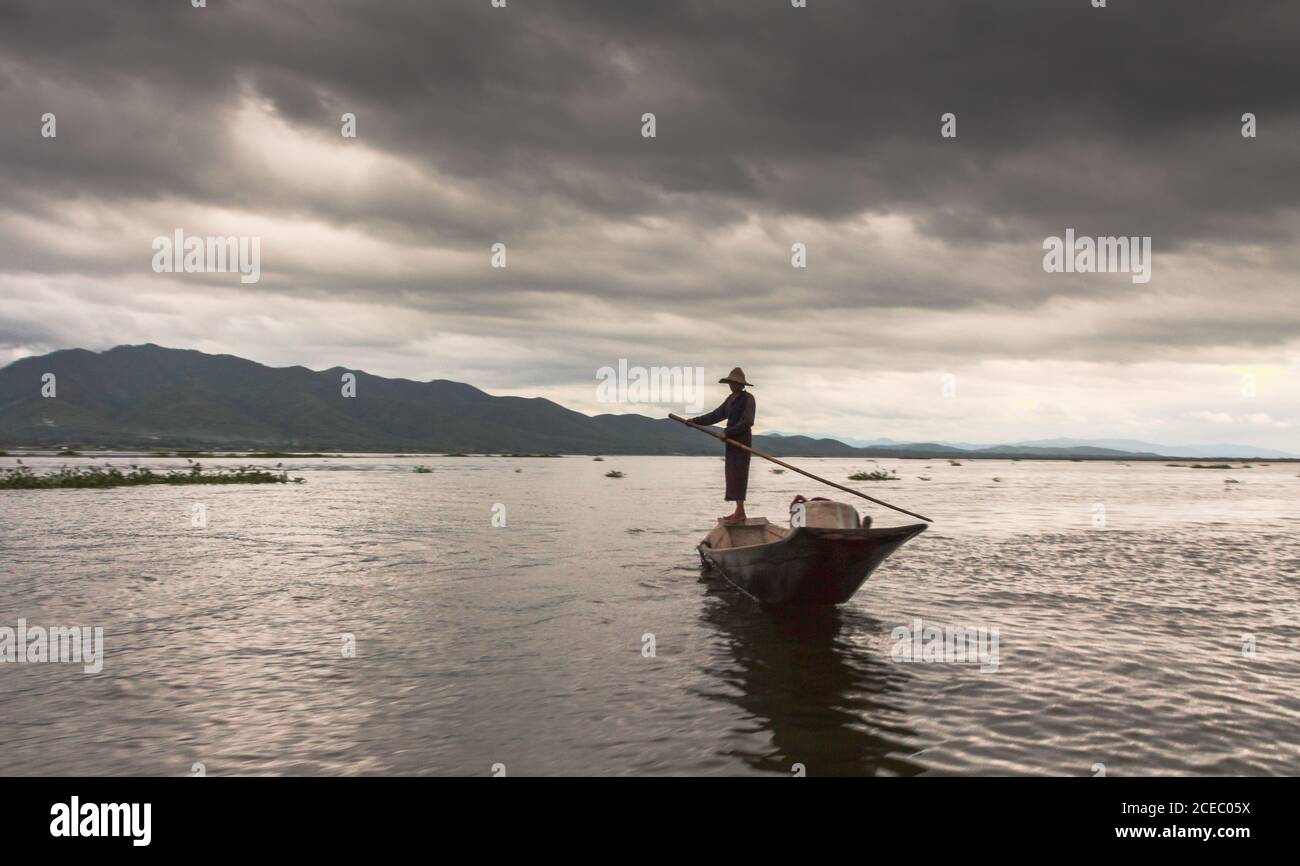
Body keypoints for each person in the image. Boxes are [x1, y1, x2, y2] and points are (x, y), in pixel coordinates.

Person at [689, 367, 756, 525]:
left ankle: (740, 513)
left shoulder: (748, 398)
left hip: (741, 441)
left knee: (739, 474)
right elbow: (716, 415)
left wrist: (729, 432)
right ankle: (739, 511)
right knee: (732, 474)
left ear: (741, 384)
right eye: (731, 383)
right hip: (730, 441)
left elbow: (748, 421)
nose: (732, 385)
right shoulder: (730, 399)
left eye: (735, 383)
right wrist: (695, 421)